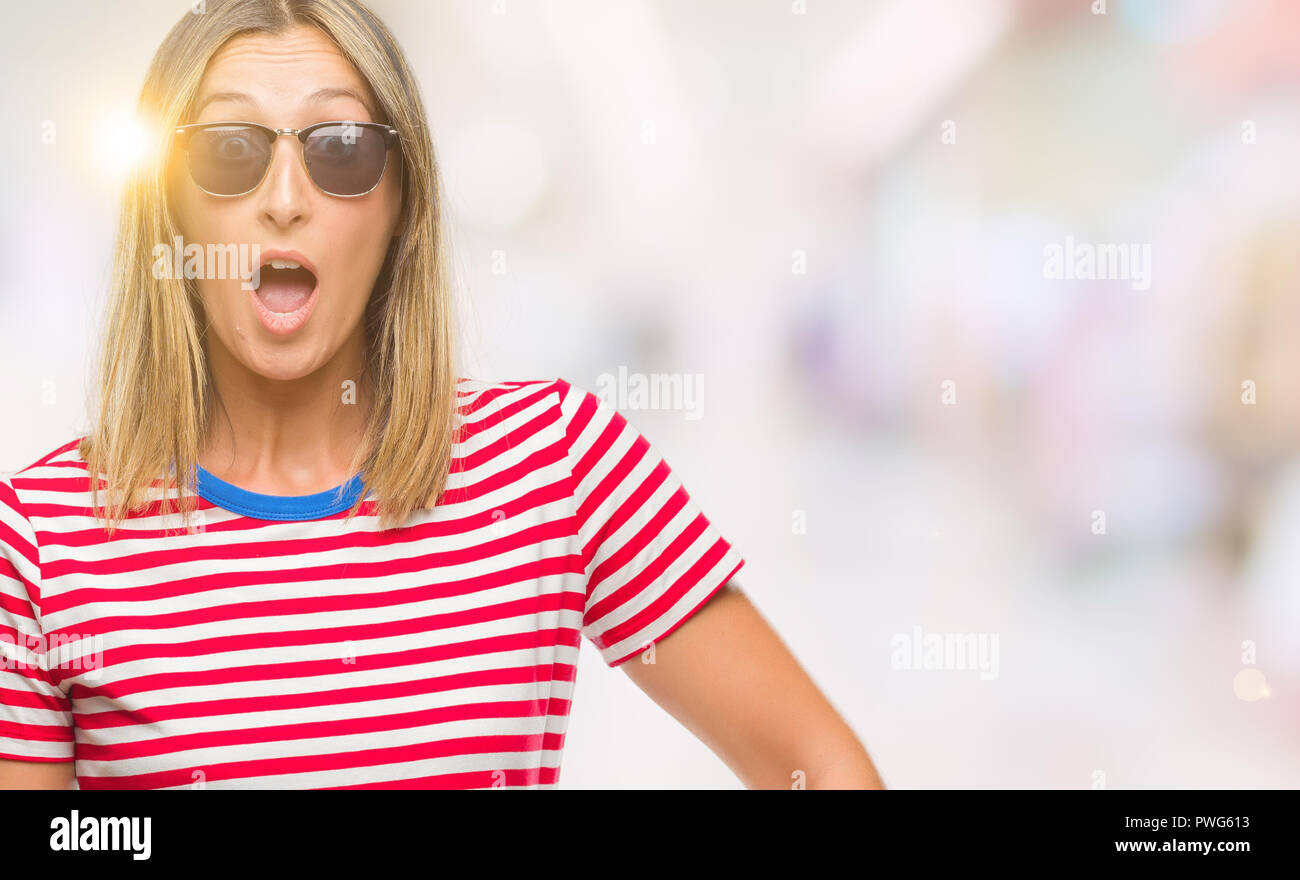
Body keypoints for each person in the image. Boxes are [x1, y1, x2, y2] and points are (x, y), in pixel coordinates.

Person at [0, 0, 883, 790]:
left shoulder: (556, 459)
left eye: (340, 150)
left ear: (400, 210)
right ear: (171, 211)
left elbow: (821, 769)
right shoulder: (41, 536)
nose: (282, 200)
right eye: (230, 151)